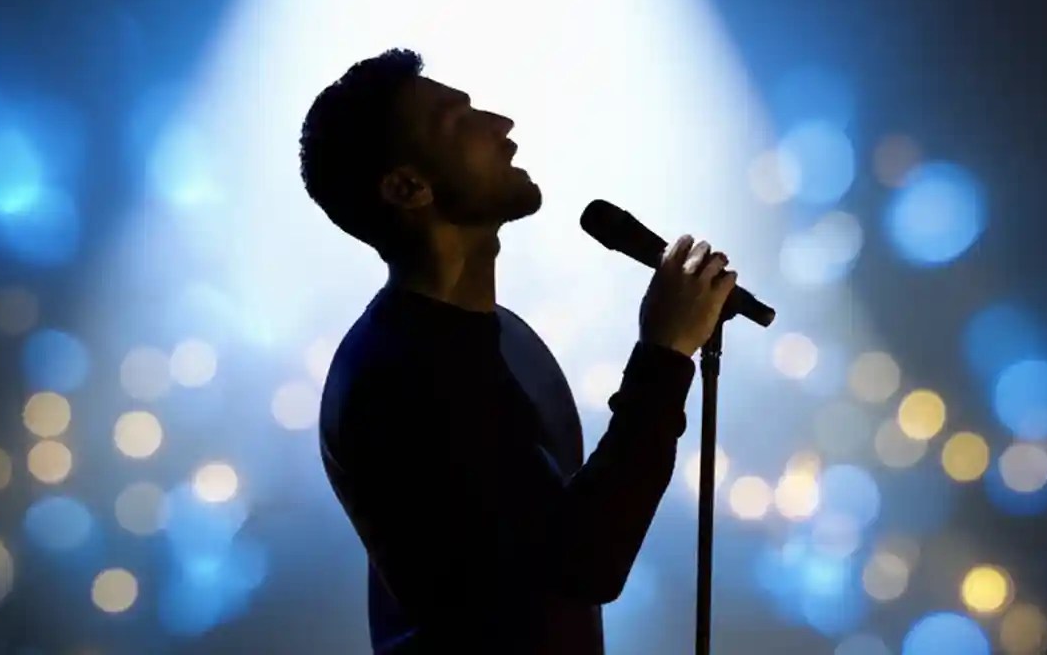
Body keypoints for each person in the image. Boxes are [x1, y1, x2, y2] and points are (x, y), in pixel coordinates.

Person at [300, 48, 737, 654]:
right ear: (408, 187)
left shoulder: (504, 336)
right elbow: (583, 561)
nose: (501, 124)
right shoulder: (394, 374)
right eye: (459, 121)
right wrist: (662, 356)